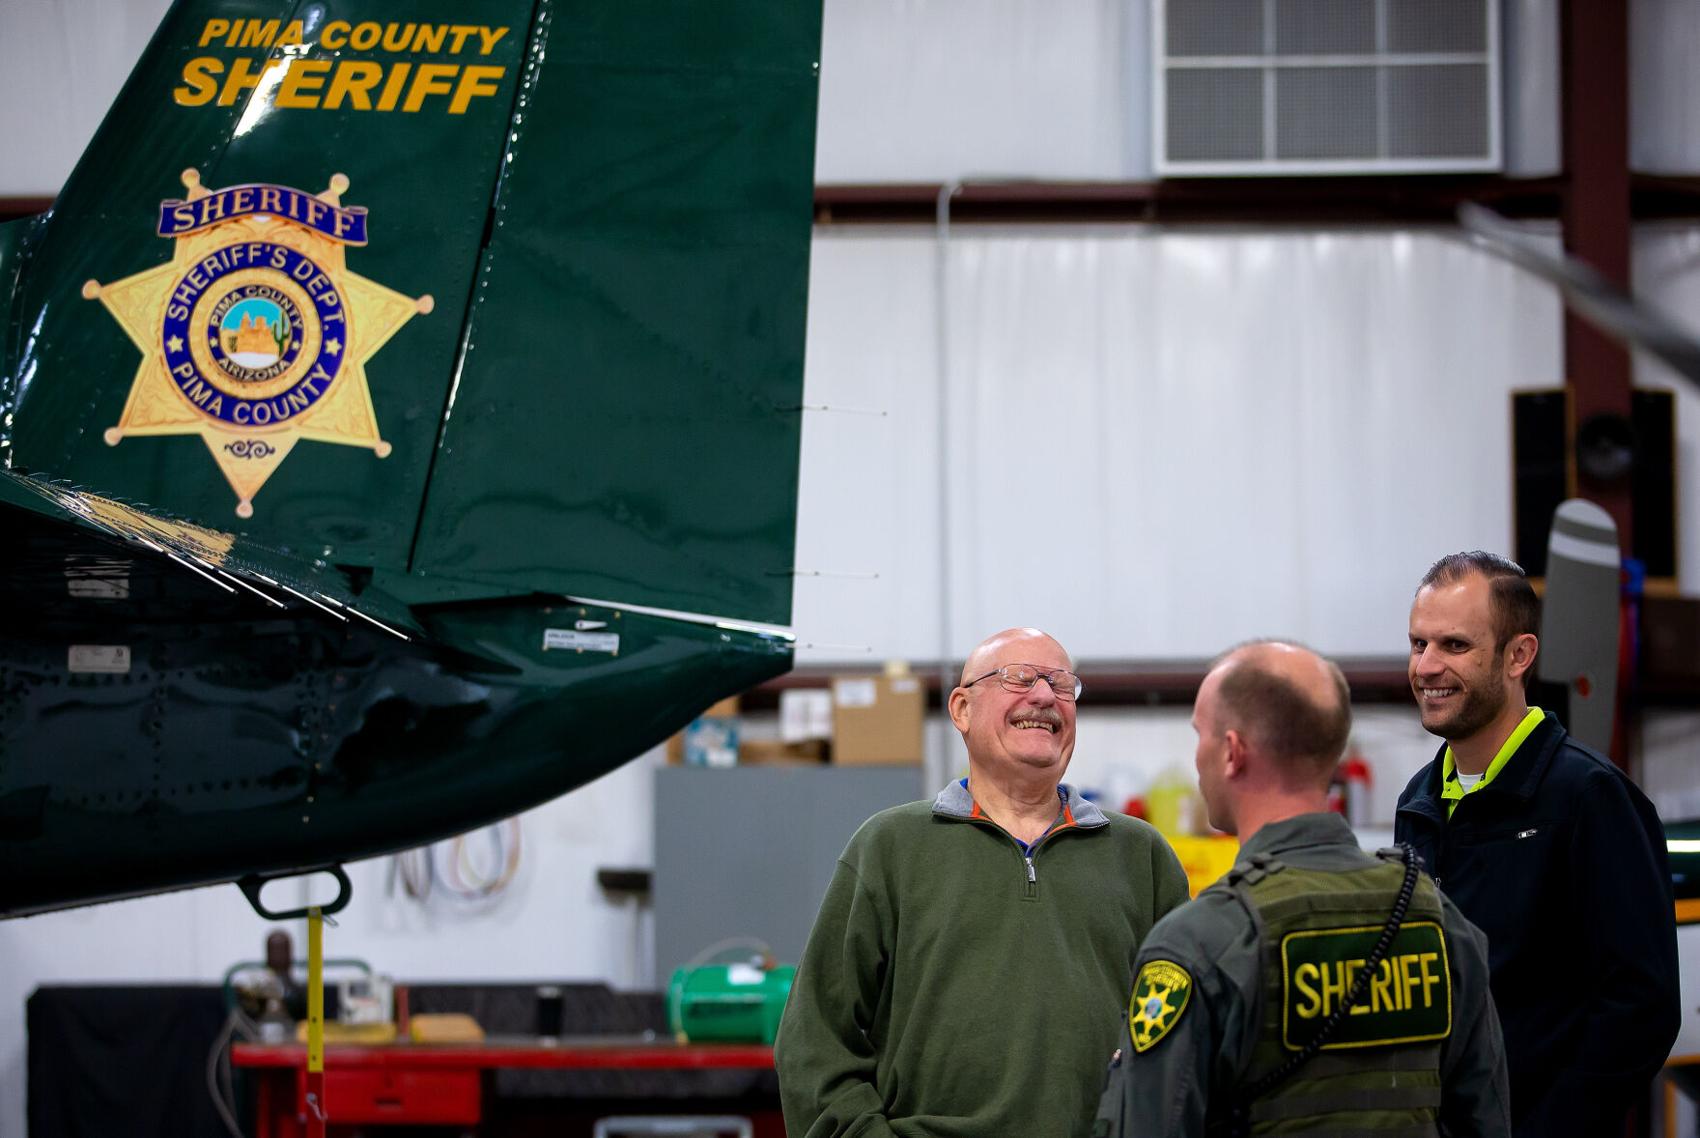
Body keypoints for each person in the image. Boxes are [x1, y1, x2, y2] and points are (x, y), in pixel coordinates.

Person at [776, 627, 1190, 1138]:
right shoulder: (890, 847)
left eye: (1062, 685)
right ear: (961, 709)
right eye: (1019, 678)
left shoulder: (1142, 857)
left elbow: (1187, 1039)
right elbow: (813, 1037)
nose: (1043, 696)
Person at [1095, 641, 1509, 1137]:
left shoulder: (1203, 943)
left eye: (1200, 735)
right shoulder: (1437, 919)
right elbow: (1484, 1118)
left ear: (1231, 752)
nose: (1197, 754)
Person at [1395, 552, 1680, 1137]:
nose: (1426, 667)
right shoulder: (1418, 803)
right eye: (1418, 644)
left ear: (1518, 655)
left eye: (1453, 645)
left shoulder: (1589, 799)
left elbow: (1640, 1007)